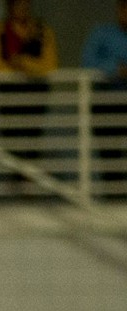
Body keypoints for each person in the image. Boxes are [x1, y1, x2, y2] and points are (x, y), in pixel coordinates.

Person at [0, 0, 57, 167]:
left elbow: (50, 65)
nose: (22, 8)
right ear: (10, 7)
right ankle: (14, 179)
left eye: (26, 4)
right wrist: (14, 69)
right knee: (10, 140)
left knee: (33, 138)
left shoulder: (42, 30)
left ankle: (30, 181)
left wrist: (24, 63)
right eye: (18, 4)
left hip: (36, 96)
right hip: (9, 96)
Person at [83, 0, 127, 183]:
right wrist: (115, 70)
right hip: (107, 101)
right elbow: (87, 63)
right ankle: (113, 195)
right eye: (124, 8)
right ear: (118, 10)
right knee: (109, 152)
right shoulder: (102, 34)